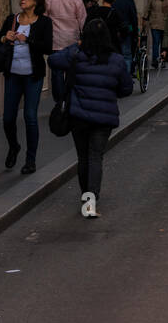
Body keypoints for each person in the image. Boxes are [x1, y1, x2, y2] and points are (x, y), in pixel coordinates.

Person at [48, 18, 133, 215]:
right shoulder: (117, 60)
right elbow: (126, 88)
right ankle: (90, 201)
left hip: (79, 115)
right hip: (104, 118)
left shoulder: (77, 55)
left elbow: (53, 61)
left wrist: (73, 47)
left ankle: (86, 196)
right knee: (96, 157)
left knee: (83, 157)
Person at [0, 0, 53, 174]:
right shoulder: (12, 19)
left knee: (30, 117)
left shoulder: (43, 23)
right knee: (8, 118)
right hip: (13, 75)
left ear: (36, 0)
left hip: (32, 76)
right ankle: (14, 146)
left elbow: (48, 48)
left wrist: (28, 40)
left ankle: (30, 159)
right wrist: (4, 38)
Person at [45, 0, 87, 101]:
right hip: (72, 41)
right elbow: (82, 20)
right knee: (71, 70)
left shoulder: (50, 0)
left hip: (56, 40)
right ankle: (69, 97)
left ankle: (59, 99)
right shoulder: (76, 0)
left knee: (57, 71)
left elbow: (45, 19)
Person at [143, 0, 168, 68]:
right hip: (155, 24)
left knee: (164, 44)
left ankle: (163, 59)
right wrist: (145, 19)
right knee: (156, 42)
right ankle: (155, 59)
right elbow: (148, 9)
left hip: (166, 25)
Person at [112, 0, 139, 71]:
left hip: (115, 31)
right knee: (127, 55)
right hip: (127, 30)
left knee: (116, 54)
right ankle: (126, 76)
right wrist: (135, 32)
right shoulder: (129, 0)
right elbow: (134, 18)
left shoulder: (113, 0)